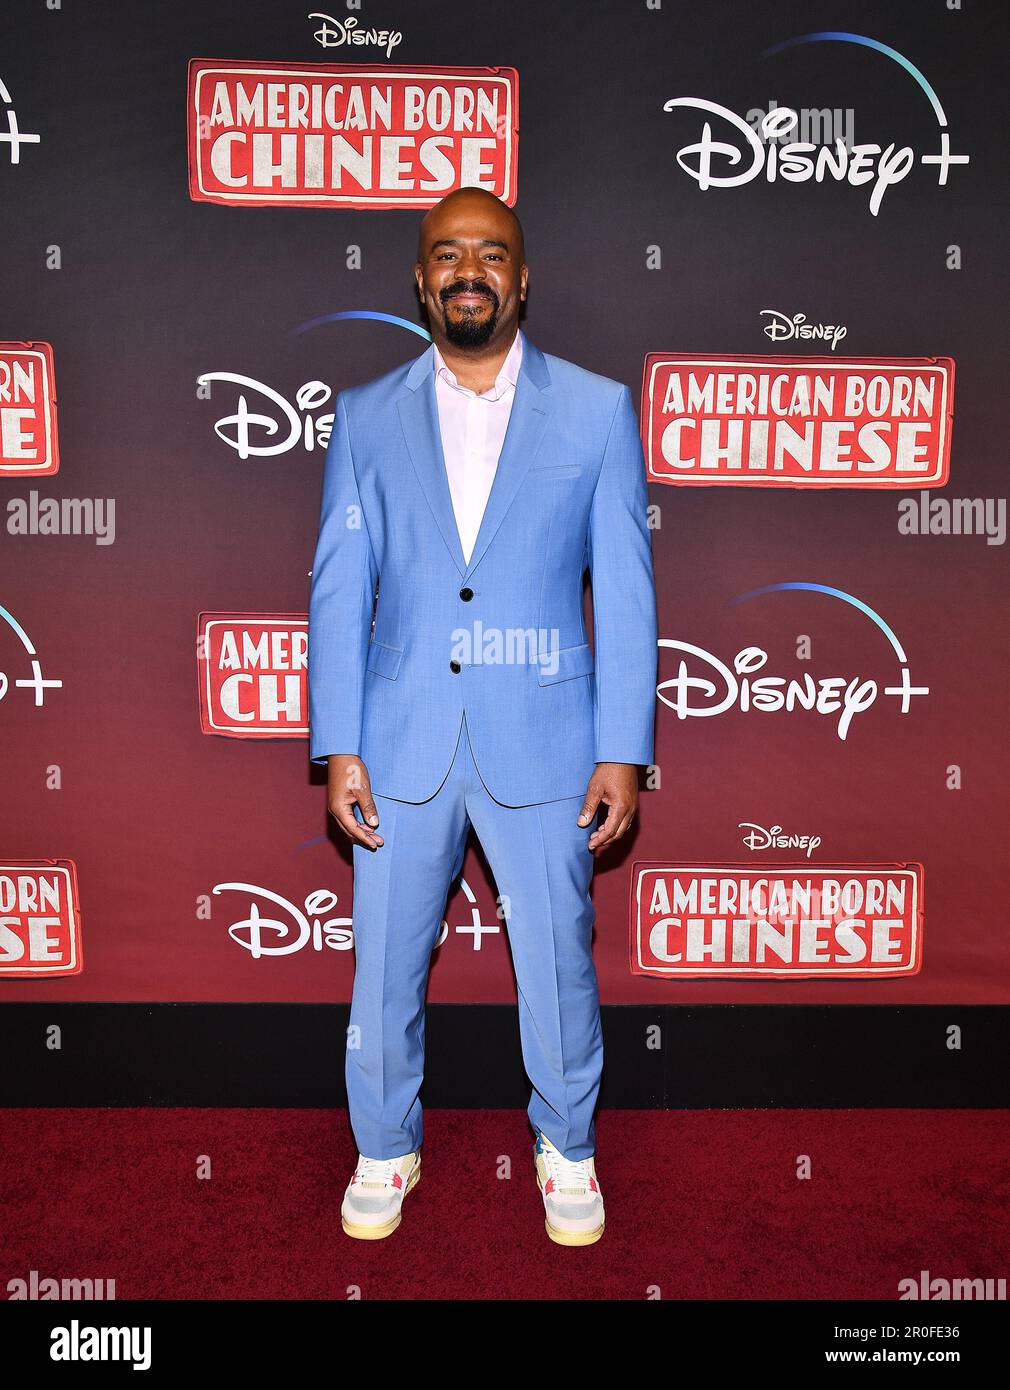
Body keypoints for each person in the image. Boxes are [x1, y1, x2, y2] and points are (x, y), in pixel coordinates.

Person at [308, 186, 657, 1246]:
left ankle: (566, 1144)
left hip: (546, 739)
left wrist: (622, 751)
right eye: (448, 254)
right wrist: (337, 745)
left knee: (556, 958)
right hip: (401, 734)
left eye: (491, 252)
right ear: (419, 279)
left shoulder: (595, 409)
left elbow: (629, 589)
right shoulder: (364, 414)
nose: (470, 269)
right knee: (383, 961)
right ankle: (383, 1142)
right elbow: (338, 583)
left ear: (520, 275)